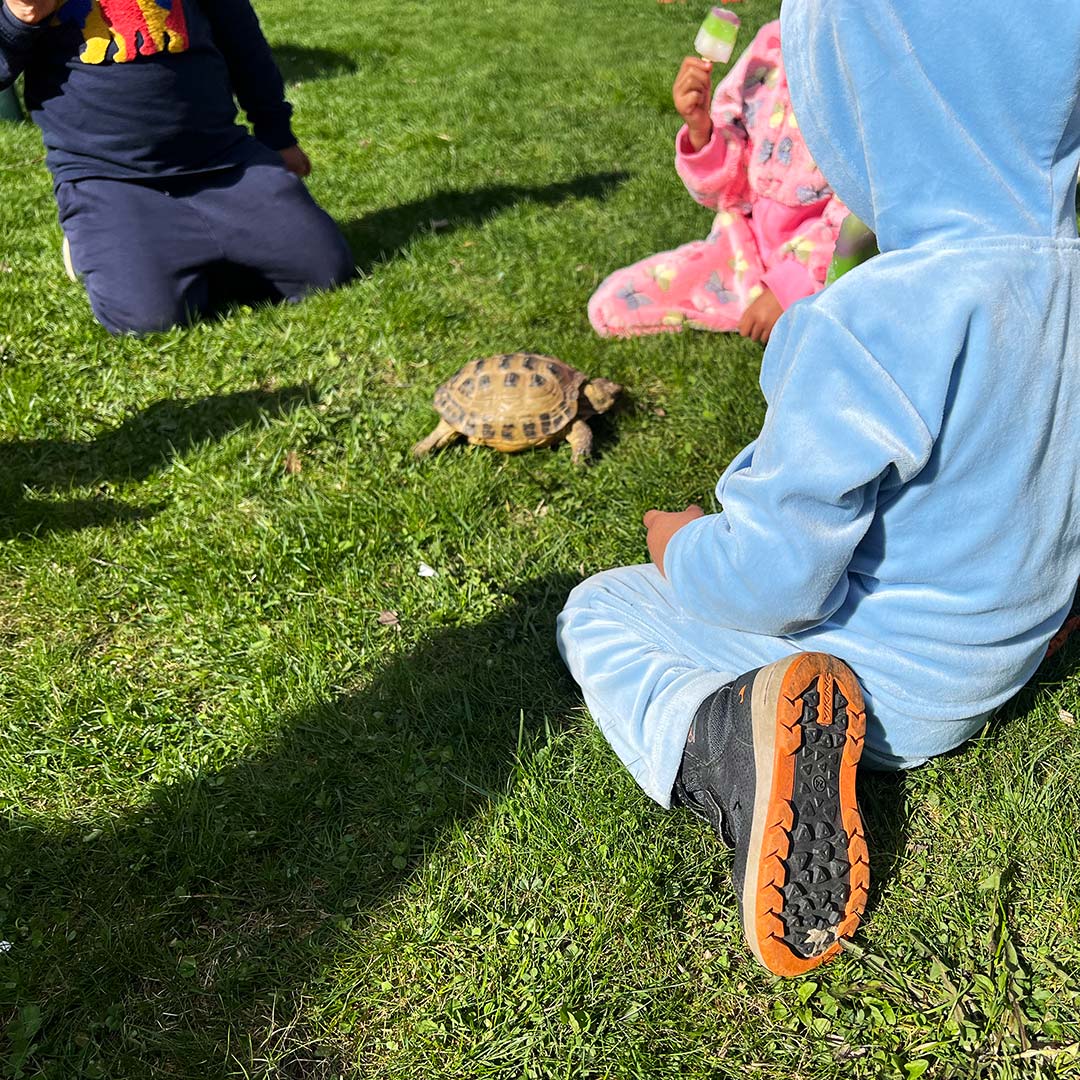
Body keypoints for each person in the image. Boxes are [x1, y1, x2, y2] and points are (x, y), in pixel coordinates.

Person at [559, 0, 1080, 977]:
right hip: (1011, 647)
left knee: (606, 608)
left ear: (863, 101)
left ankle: (732, 742)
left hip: (888, 688)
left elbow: (775, 579)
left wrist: (681, 547)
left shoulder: (872, 318)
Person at [0, 0, 354, 335]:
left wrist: (277, 136)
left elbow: (244, 42)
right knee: (146, 318)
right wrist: (20, 17)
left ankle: (177, 250)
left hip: (224, 161)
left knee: (324, 271)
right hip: (110, 178)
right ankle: (96, 239)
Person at [588, 19, 846, 344]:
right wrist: (701, 130)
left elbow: (866, 207)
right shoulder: (772, 44)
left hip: (825, 264)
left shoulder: (871, 63)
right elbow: (730, 191)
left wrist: (792, 285)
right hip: (742, 248)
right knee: (614, 304)